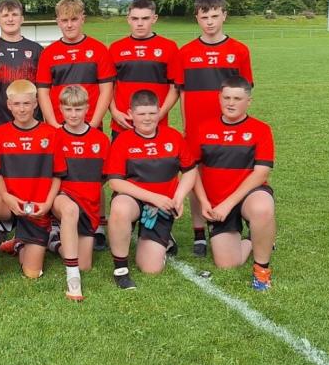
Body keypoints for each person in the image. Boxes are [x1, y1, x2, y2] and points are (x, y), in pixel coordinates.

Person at [174, 0, 254, 257]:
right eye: (204, 16)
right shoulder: (185, 52)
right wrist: (187, 127)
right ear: (197, 17)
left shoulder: (239, 51)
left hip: (229, 128)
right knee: (195, 177)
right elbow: (183, 94)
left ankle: (239, 223)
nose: (209, 22)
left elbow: (244, 92)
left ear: (224, 16)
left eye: (214, 16)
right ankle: (199, 232)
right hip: (197, 129)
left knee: (230, 174)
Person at [0, 80, 65, 299]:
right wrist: (6, 196)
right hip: (9, 203)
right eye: (17, 104)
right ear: (9, 105)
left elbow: (57, 175)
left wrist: (49, 204)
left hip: (37, 207)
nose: (22, 109)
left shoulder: (51, 134)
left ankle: (19, 243)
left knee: (32, 273)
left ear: (36, 104)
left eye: (27, 103)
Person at [189, 77, 276, 291]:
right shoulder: (203, 129)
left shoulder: (261, 129)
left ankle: (261, 273)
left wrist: (228, 203)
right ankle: (257, 238)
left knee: (262, 208)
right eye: (226, 97)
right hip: (217, 203)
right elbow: (191, 171)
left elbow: (261, 173)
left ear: (249, 101)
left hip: (248, 195)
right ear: (219, 98)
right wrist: (204, 202)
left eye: (237, 98)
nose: (231, 103)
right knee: (227, 264)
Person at [105, 89, 198, 284]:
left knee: (151, 268)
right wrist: (152, 197)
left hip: (162, 207)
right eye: (141, 114)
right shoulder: (122, 141)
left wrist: (179, 198)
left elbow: (190, 171)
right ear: (131, 114)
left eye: (152, 113)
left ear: (159, 112)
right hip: (135, 200)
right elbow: (115, 182)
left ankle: (165, 241)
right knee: (120, 206)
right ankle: (121, 269)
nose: (147, 119)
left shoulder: (173, 137)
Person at [47, 85, 109, 299]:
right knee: (70, 210)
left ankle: (54, 242)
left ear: (87, 109)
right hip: (62, 199)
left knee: (85, 264)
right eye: (68, 109)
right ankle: (73, 280)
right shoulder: (53, 137)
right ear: (61, 110)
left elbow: (104, 176)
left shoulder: (100, 140)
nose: (73, 115)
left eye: (78, 109)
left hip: (89, 204)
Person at [36, 0, 115, 129]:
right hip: (59, 126)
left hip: (90, 124)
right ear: (58, 22)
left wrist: (94, 124)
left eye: (74, 19)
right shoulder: (48, 53)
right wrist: (53, 124)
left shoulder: (99, 49)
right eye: (64, 20)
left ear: (82, 19)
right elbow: (43, 93)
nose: (69, 25)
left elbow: (106, 90)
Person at [108, 0, 179, 135]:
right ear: (128, 19)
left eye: (145, 18)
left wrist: (160, 114)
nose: (140, 23)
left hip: (157, 125)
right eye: (135, 19)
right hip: (123, 124)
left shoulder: (169, 47)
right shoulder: (116, 48)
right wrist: (115, 112)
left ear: (154, 18)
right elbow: (107, 87)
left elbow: (174, 87)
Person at [0, 0, 42, 130]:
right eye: (5, 15)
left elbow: (43, 89)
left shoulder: (36, 49)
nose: (10, 19)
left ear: (22, 19)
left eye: (14, 15)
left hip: (31, 119)